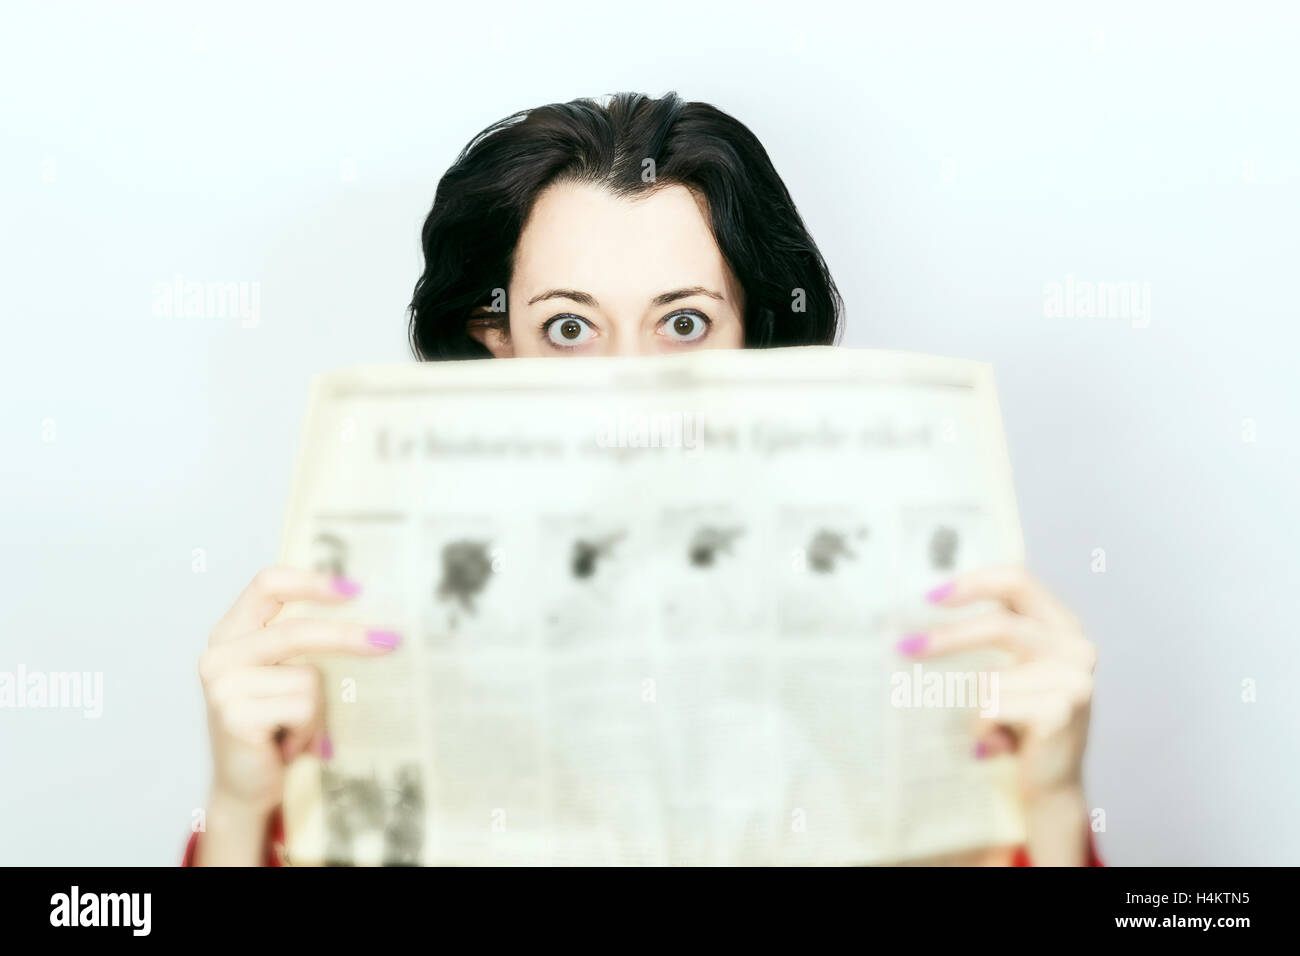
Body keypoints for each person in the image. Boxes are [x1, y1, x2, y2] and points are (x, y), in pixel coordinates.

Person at [189, 92, 1099, 866]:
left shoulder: (918, 627)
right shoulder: (347, 645)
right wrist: (237, 814)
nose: (629, 386)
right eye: (570, 328)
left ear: (756, 341)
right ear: (494, 345)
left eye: (686, 323)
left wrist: (1053, 808)